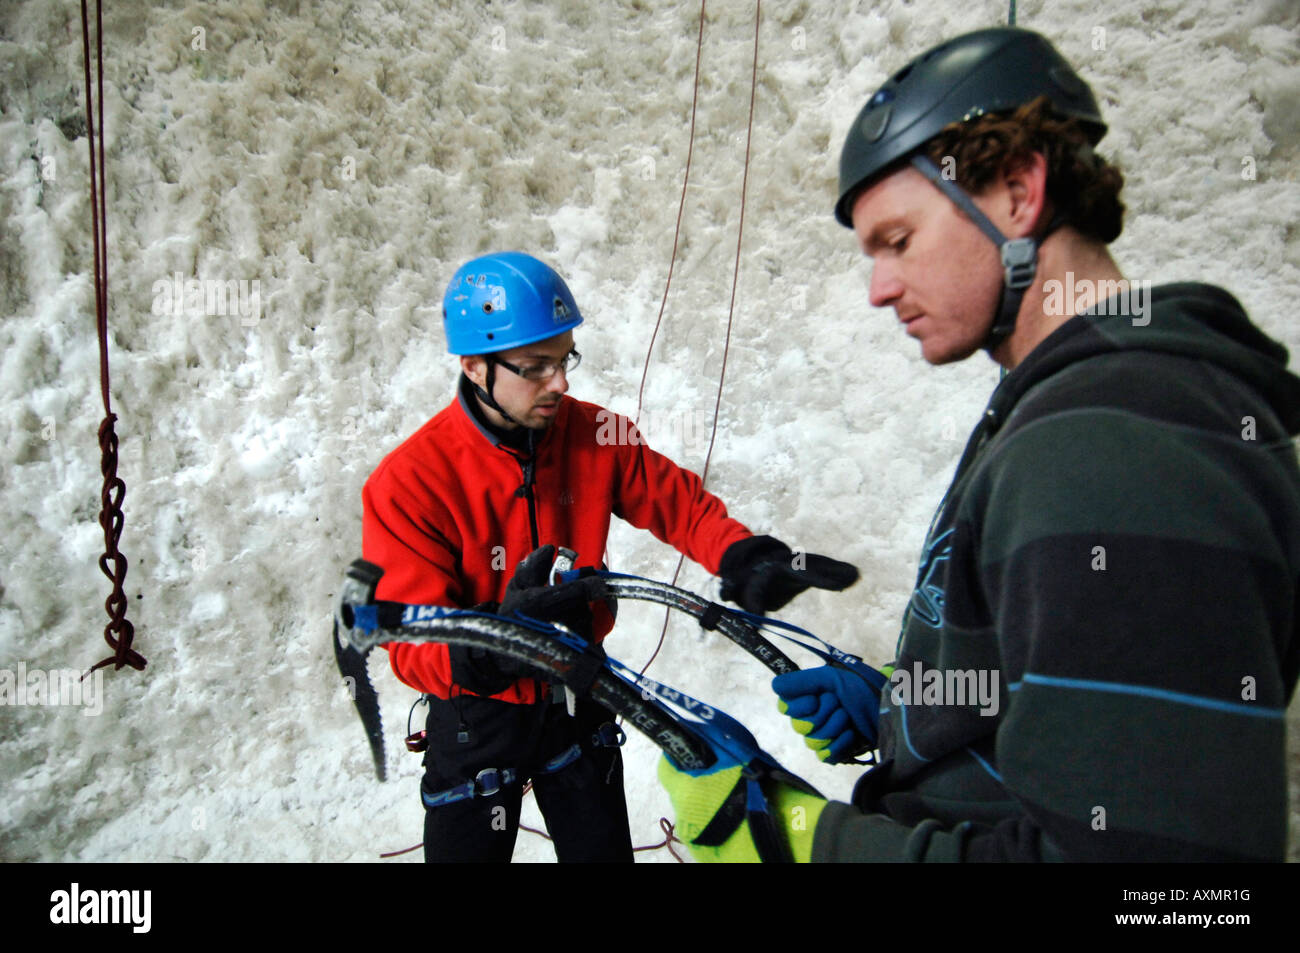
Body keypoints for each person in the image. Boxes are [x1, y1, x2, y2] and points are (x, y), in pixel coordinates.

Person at [659, 26, 1300, 862]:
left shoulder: (1113, 444)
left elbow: (1164, 888)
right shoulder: (1072, 410)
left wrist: (805, 840)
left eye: (898, 240)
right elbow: (1083, 699)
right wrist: (913, 711)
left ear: (1016, 191)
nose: (879, 287)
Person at [361, 251, 858, 862]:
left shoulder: (597, 433)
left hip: (582, 698)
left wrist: (739, 553)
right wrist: (491, 648)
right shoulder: (411, 481)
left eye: (564, 358)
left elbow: (676, 501)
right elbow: (407, 634)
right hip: (477, 722)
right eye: (536, 367)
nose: (561, 383)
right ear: (474, 366)